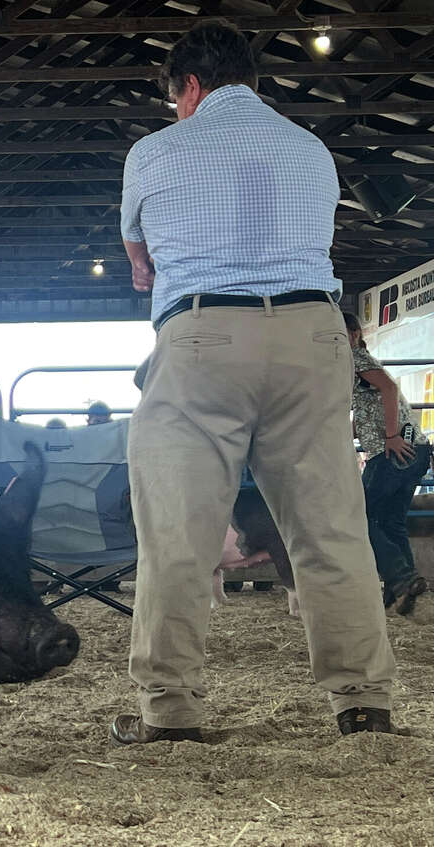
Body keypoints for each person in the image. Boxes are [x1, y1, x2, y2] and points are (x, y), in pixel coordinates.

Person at [111, 23, 395, 745]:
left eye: (175, 98)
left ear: (190, 87)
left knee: (178, 535)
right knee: (331, 529)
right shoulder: (310, 150)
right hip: (310, 331)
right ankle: (362, 703)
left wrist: (158, 267)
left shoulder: (155, 151)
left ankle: (170, 712)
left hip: (204, 336)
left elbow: (138, 259)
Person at [343, 312, 430, 615]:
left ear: (354, 334)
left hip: (392, 451)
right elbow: (365, 418)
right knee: (392, 522)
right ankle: (402, 594)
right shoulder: (357, 364)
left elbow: (389, 389)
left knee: (357, 518)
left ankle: (402, 579)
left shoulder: (356, 359)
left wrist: (391, 436)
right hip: (414, 451)